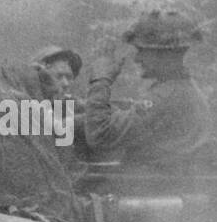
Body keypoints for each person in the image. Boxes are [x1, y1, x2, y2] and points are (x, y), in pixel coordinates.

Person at [84, 9, 209, 166]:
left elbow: (99, 135)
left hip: (152, 186)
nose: (137, 58)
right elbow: (128, 118)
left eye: (142, 51)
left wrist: (101, 79)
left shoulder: (165, 97)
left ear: (165, 54)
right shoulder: (180, 89)